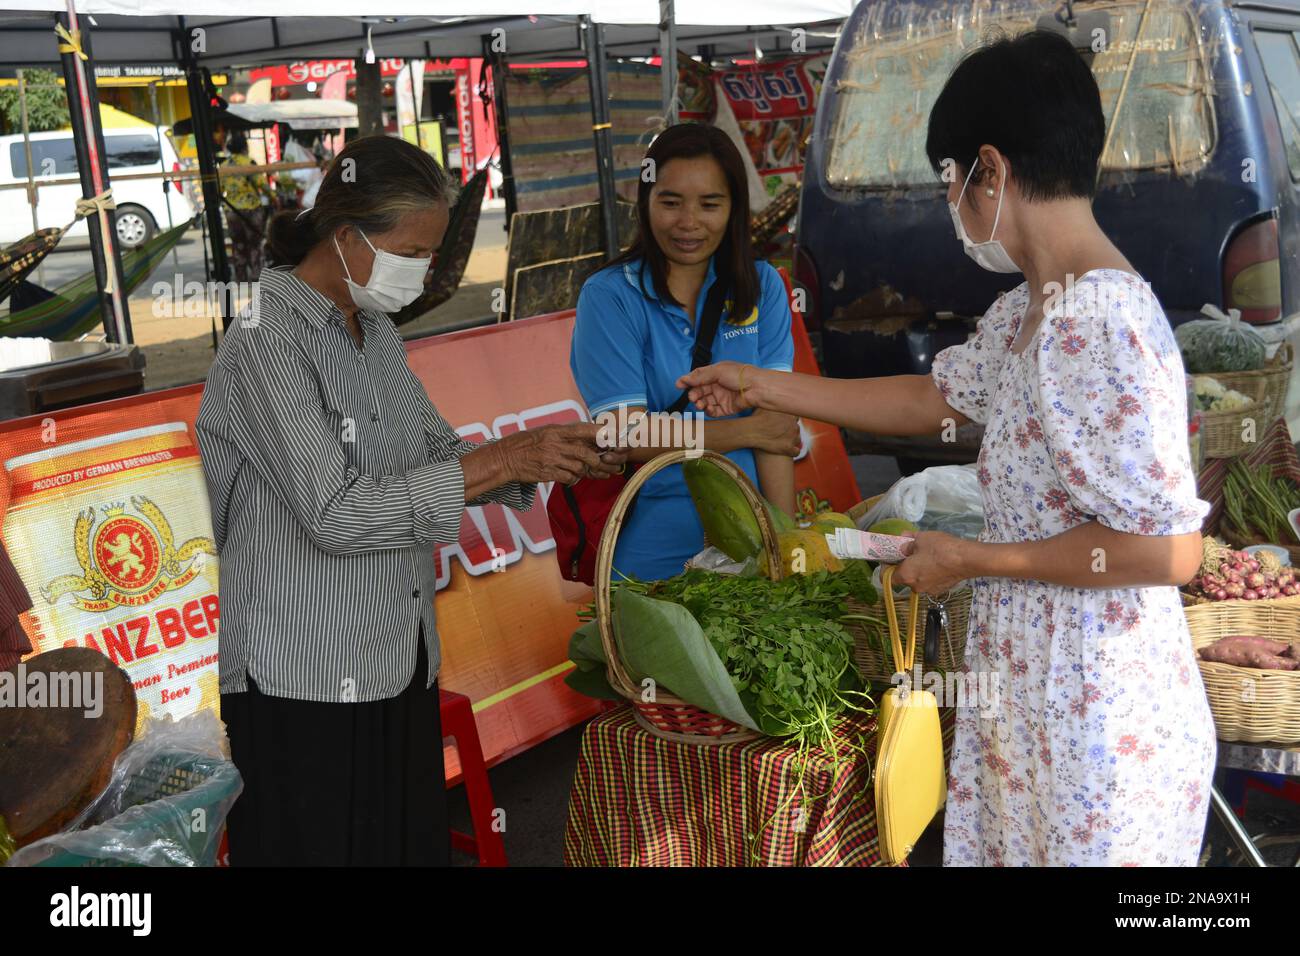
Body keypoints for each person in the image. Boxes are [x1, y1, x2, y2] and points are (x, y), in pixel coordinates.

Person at [678, 31, 1216, 866]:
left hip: (1101, 714)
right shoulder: (1032, 308)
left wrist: (969, 556)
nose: (952, 204)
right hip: (1037, 686)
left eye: (950, 181)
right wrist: (763, 384)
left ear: (991, 172)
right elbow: (934, 399)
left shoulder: (1097, 324)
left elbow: (1170, 550)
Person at [195, 135, 624, 866]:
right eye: (414, 252)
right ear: (345, 236)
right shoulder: (268, 337)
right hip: (306, 677)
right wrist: (503, 459)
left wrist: (550, 457)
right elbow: (335, 511)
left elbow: (439, 456)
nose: (425, 271)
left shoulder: (375, 334)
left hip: (396, 654)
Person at [570, 123, 801, 582]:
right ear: (645, 203)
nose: (688, 222)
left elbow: (778, 436)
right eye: (670, 202)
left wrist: (788, 547)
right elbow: (626, 434)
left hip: (756, 533)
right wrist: (746, 431)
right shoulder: (610, 297)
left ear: (733, 208)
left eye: (710, 204)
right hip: (654, 546)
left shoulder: (762, 287)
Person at [220, 130, 271, 282]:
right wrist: (274, 198)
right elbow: (262, 185)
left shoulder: (223, 166)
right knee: (255, 244)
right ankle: (257, 277)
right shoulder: (249, 163)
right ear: (245, 147)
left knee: (238, 245)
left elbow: (218, 190)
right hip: (252, 210)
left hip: (232, 211)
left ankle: (241, 278)